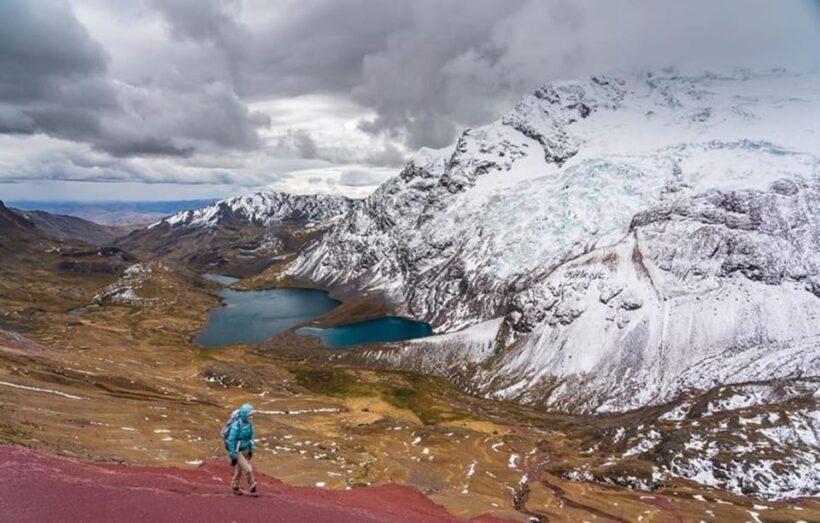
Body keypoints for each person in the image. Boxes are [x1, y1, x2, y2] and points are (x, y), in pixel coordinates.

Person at [226, 403, 257, 495]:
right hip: (237, 450)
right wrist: (233, 455)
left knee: (239, 469)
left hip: (246, 449)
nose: (251, 417)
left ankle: (235, 486)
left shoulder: (249, 424)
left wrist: (251, 449)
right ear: (245, 415)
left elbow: (251, 437)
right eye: (250, 415)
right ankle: (253, 487)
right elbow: (231, 440)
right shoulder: (236, 425)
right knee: (248, 469)